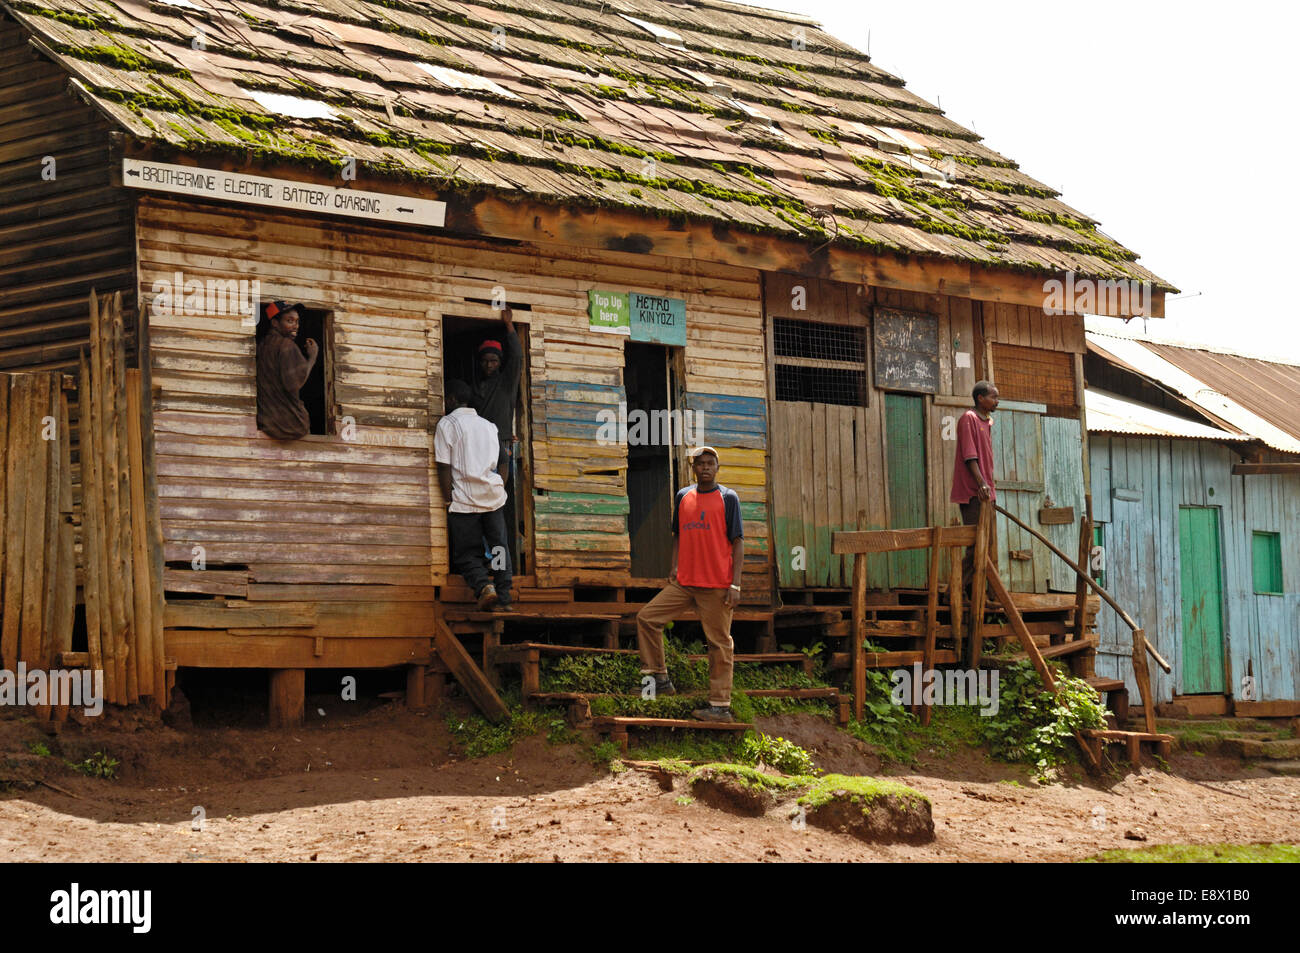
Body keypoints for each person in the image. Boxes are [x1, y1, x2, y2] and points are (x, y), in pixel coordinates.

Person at [635, 447, 744, 723]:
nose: (705, 467)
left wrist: (736, 585)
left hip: (717, 585)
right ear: (693, 468)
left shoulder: (728, 498)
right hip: (685, 582)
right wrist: (674, 565)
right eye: (700, 463)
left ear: (717, 467)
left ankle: (720, 706)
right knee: (647, 618)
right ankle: (658, 678)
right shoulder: (683, 496)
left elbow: (738, 542)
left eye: (710, 463)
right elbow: (678, 535)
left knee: (719, 643)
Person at [435, 380, 513, 612]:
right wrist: (499, 488)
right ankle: (504, 595)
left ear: (450, 400)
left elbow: (443, 467)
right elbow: (504, 464)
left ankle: (483, 588)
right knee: (498, 548)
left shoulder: (446, 424)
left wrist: (448, 498)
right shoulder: (489, 426)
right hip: (493, 498)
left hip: (464, 502)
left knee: (468, 552)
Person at [951, 380, 999, 598]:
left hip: (987, 492)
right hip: (974, 492)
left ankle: (972, 590)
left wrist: (988, 485)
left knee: (986, 544)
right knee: (975, 543)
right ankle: (955, 588)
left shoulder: (987, 422)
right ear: (980, 398)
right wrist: (981, 483)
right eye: (993, 397)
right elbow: (969, 455)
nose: (997, 401)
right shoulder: (968, 419)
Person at [471, 307, 522, 476]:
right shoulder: (475, 385)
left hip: (501, 441)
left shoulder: (507, 381)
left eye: (493, 360)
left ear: (500, 362)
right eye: (485, 361)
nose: (489, 365)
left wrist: (509, 325)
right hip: (479, 442)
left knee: (499, 482)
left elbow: (517, 356)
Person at [256, 301, 316, 440]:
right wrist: (312, 357)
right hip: (291, 425)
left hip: (267, 423)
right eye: (289, 321)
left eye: (297, 321)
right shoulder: (286, 346)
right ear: (275, 323)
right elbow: (294, 383)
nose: (295, 326)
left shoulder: (262, 345)